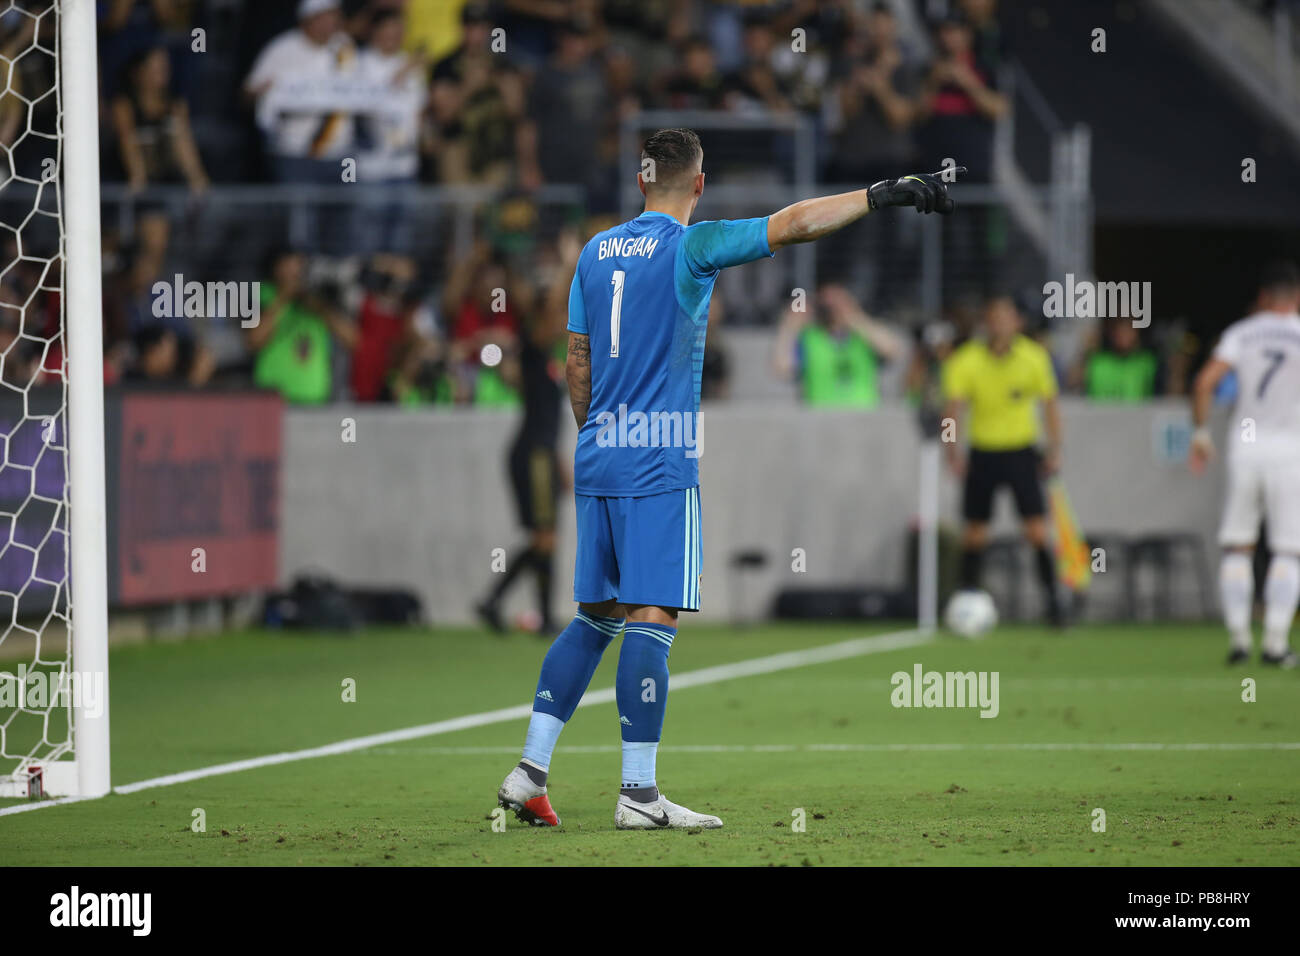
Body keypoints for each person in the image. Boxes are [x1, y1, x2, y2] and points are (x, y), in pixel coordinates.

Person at [495, 127, 963, 830]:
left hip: (598, 452)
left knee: (595, 616)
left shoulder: (594, 253)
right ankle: (638, 795)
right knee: (653, 614)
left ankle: (529, 772)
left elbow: (577, 364)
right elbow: (796, 223)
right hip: (659, 459)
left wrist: (599, 434)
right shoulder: (693, 246)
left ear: (641, 181)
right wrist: (877, 196)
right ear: (699, 185)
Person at [1190, 261, 1300, 668]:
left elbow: (1204, 382)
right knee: (1288, 550)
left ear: (1262, 298)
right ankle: (1275, 643)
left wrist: (1201, 434)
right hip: (1290, 450)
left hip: (1246, 446)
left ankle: (1238, 639)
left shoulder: (1242, 333)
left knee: (1238, 544)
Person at [941, 296, 1066, 626]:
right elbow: (952, 411)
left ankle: (1054, 603)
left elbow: (1049, 405)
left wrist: (1054, 448)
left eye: (1005, 317)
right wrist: (951, 452)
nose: (999, 324)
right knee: (975, 533)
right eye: (993, 317)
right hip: (983, 453)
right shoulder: (966, 360)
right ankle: (967, 599)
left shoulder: (1034, 357)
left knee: (1037, 531)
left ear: (1017, 323)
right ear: (986, 322)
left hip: (1022, 452)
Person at [770, 283, 904, 407]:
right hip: (819, 419)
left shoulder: (864, 335)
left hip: (864, 418)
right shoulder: (809, 338)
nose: (833, 307)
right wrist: (790, 326)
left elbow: (892, 350)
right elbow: (783, 369)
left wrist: (855, 317)